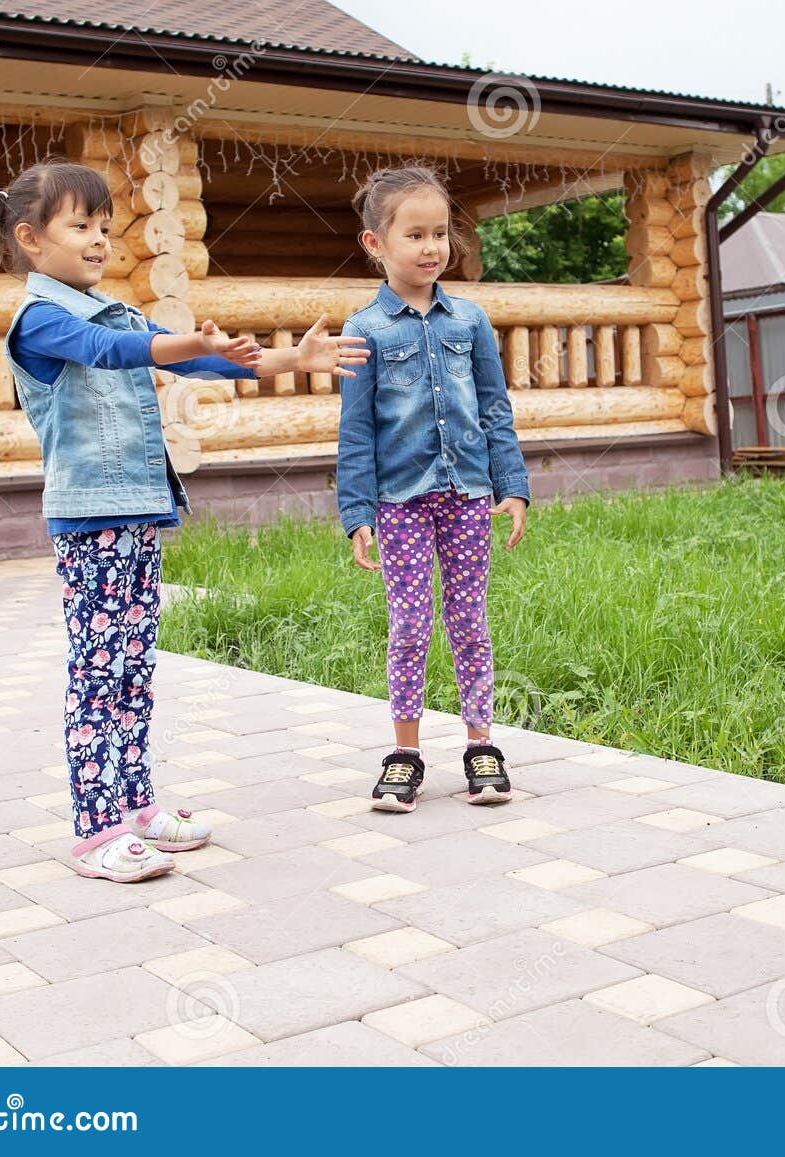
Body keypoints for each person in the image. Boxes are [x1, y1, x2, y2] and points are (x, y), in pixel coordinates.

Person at [0, 160, 367, 883]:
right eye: (79, 225)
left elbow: (208, 366)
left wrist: (292, 358)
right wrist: (190, 343)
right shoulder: (43, 321)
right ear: (30, 238)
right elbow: (110, 352)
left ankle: (137, 806)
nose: (98, 240)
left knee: (134, 668)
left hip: (140, 512)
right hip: (89, 520)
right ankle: (94, 832)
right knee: (97, 671)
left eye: (103, 226)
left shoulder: (117, 309)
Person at [337, 166, 530, 814]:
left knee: (470, 620)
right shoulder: (365, 330)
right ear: (376, 245)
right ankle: (405, 752)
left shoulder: (469, 320)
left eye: (440, 233)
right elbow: (356, 431)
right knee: (412, 624)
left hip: (468, 495)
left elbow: (496, 408)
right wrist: (357, 511)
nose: (431, 247)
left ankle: (481, 744)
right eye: (415, 233)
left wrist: (514, 486)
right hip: (401, 504)